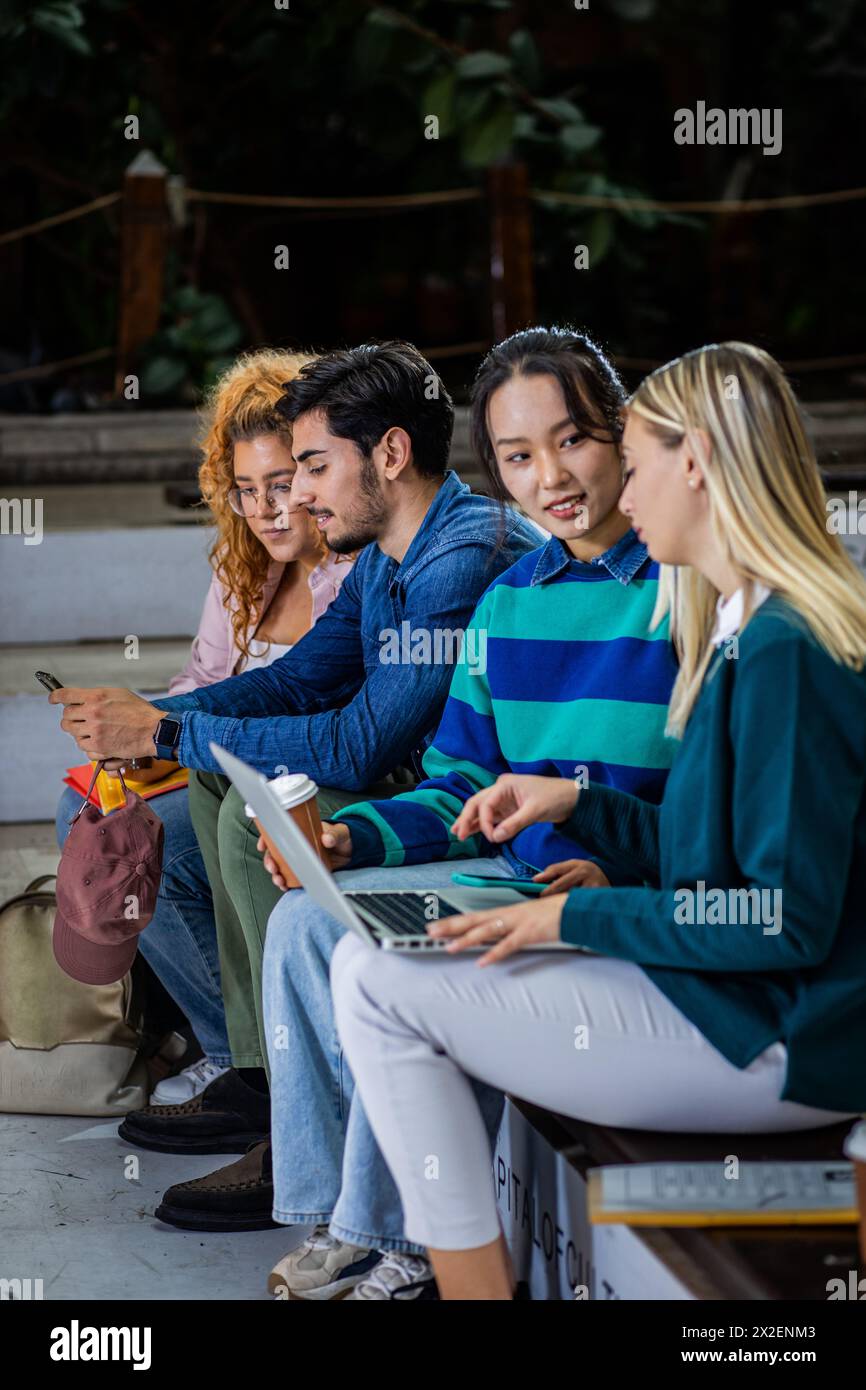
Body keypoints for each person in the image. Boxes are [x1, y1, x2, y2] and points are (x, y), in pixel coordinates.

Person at [331, 341, 866, 1300]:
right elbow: (713, 860)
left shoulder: (784, 649)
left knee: (378, 986)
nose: (624, 478)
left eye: (634, 448)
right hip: (733, 1000)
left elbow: (782, 920)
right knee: (371, 965)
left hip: (784, 1038)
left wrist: (569, 920)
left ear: (694, 462)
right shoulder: (745, 625)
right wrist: (582, 805)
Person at [50, 340, 541, 1223]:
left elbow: (358, 743)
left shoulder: (459, 556)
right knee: (215, 781)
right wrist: (148, 719)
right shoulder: (394, 546)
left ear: (388, 455)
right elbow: (297, 677)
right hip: (418, 789)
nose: (301, 497)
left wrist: (166, 730)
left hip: (473, 816)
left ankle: (298, 1123)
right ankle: (262, 1080)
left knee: (249, 808)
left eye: (313, 466)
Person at [259, 327, 678, 1299]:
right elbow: (456, 780)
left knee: (389, 958)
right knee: (303, 920)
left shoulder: (686, 590)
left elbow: (707, 811)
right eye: (518, 457)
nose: (550, 478)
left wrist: (608, 856)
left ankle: (402, 1241)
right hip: (506, 867)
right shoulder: (508, 600)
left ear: (621, 435)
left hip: (612, 889)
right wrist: (346, 837)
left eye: (570, 441)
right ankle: (338, 1219)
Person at [55, 348, 351, 1104]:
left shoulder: (354, 573)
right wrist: (128, 744)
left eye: (283, 485)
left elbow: (328, 718)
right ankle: (211, 1029)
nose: (266, 510)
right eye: (247, 489)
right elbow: (199, 687)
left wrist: (162, 736)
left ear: (323, 471)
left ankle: (245, 1060)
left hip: (306, 775)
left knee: (156, 835)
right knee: (88, 807)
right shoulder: (242, 566)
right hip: (214, 761)